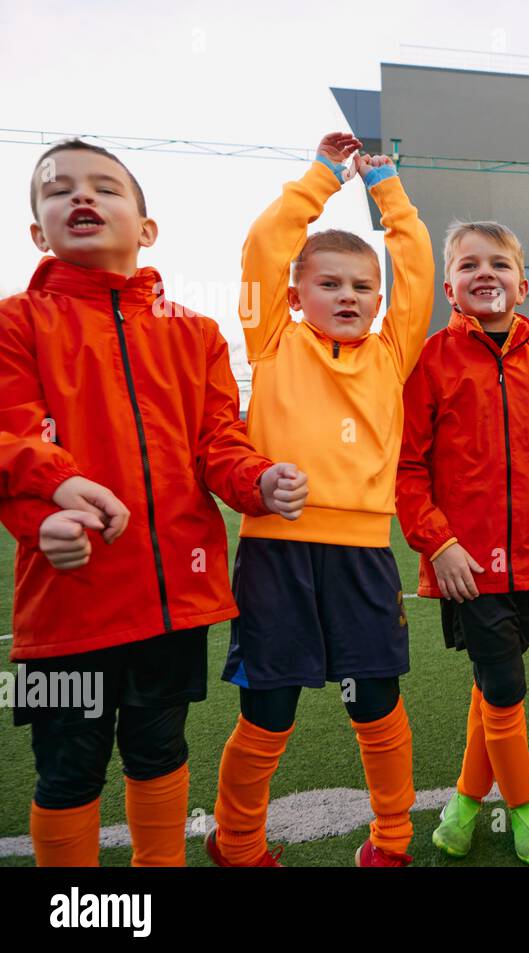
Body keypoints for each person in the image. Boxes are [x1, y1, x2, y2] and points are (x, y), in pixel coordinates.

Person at [0, 139, 306, 867]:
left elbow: (218, 444)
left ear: (146, 228)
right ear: (38, 231)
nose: (82, 197)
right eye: (59, 189)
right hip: (64, 607)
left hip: (176, 601)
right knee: (68, 767)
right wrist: (47, 520)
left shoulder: (195, 333)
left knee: (158, 747)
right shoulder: (16, 321)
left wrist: (257, 480)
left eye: (105, 187)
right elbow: (9, 438)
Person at [208, 132, 433, 868]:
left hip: (364, 556)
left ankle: (392, 839)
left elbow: (416, 259)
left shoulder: (392, 351)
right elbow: (264, 245)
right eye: (329, 283)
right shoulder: (271, 339)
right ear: (296, 293)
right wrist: (323, 178)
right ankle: (238, 843)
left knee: (374, 703)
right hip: (275, 553)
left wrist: (387, 187)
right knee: (268, 710)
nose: (348, 296)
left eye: (361, 287)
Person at [397, 219, 529, 865]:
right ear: (449, 287)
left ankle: (464, 796)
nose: (486, 273)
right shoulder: (431, 360)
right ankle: (525, 806)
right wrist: (439, 542)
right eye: (469, 265)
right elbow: (407, 467)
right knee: (505, 684)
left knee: (493, 681)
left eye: (500, 264)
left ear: (523, 283)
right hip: (468, 566)